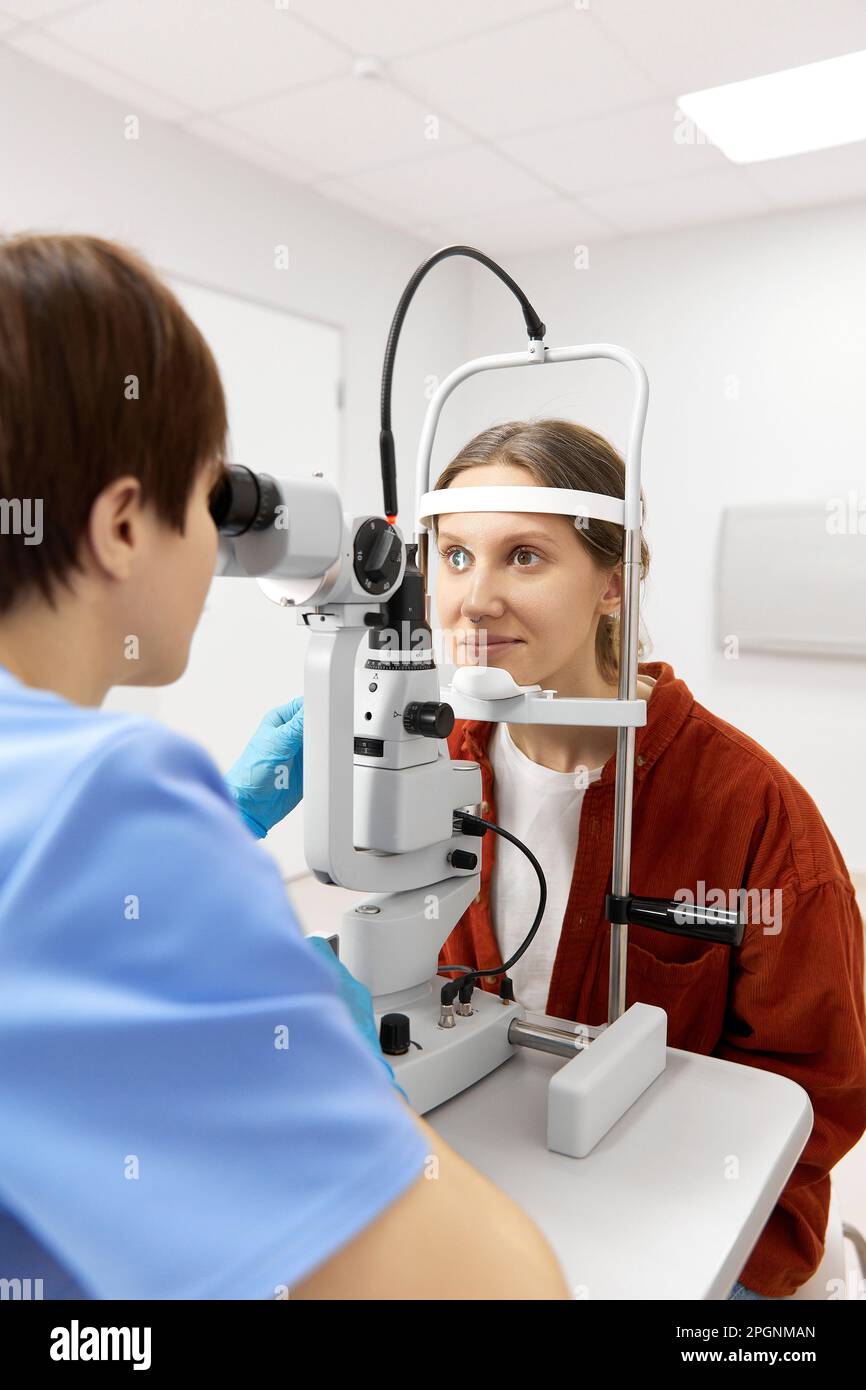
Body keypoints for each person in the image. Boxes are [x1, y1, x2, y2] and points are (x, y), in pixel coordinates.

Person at [0, 232, 568, 1301]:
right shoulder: (106, 803)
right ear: (125, 522)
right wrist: (347, 1092)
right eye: (203, 503)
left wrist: (206, 836)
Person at [421, 418, 866, 1300]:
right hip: (504, 1191)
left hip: (707, 1233)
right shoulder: (434, 771)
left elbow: (824, 1091)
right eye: (456, 556)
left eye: (524, 557)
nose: (475, 600)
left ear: (613, 583)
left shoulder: (757, 817)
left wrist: (621, 1202)